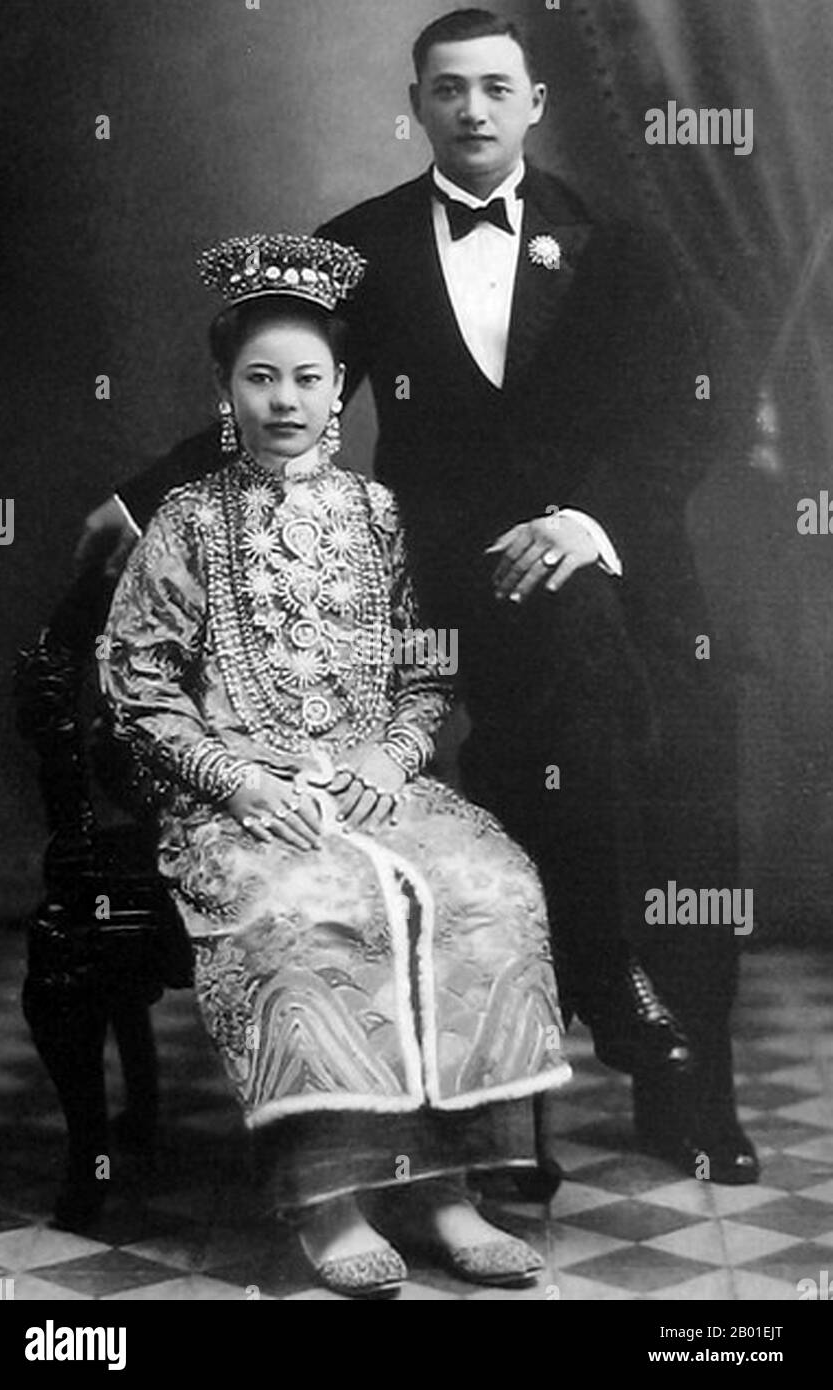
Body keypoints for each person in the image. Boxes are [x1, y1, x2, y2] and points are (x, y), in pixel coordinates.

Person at [80, 8, 756, 1183]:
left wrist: (584, 524)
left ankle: (687, 1089)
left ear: (535, 103)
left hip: (608, 576)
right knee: (535, 764)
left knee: (679, 782)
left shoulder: (622, 243)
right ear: (420, 103)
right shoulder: (365, 246)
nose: (475, 111)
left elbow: (688, 410)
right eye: (449, 90)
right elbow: (281, 389)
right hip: (439, 597)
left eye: (497, 88)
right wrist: (141, 500)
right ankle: (518, 1090)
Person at [98, 232, 570, 1298]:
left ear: (339, 390)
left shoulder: (376, 513)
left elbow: (421, 672)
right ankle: (329, 1199)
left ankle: (449, 1190)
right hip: (239, 797)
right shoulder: (185, 520)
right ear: (225, 389)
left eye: (308, 378)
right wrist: (239, 782)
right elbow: (138, 687)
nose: (285, 400)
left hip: (372, 786)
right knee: (311, 910)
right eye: (260, 378)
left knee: (485, 886)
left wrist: (399, 754)